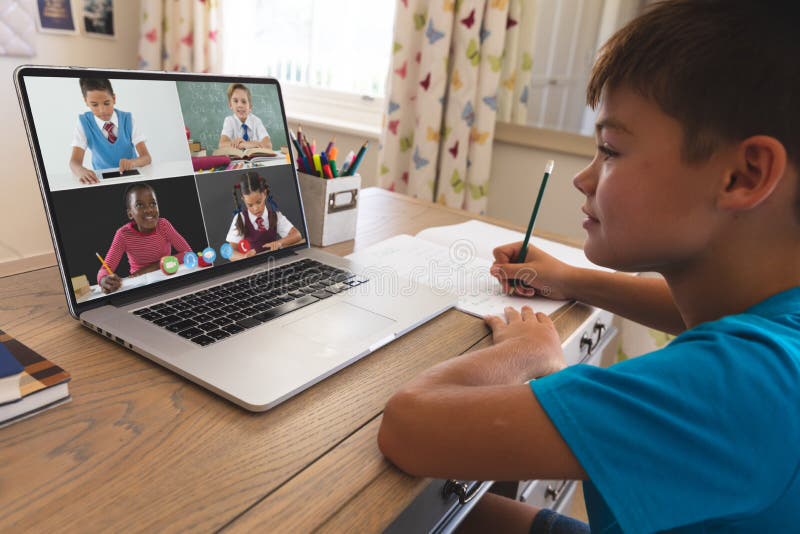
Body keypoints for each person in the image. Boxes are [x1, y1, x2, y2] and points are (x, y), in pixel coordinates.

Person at [377, 0, 800, 532]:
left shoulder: (743, 385)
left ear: (743, 175)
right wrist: (568, 277)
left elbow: (409, 425)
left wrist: (529, 357)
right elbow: (683, 309)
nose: (585, 178)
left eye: (611, 149)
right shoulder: (777, 325)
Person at [98, 183, 193, 293]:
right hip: (140, 283)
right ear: (130, 214)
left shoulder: (163, 226)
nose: (149, 210)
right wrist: (104, 280)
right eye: (139, 205)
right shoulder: (123, 234)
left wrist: (149, 268)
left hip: (166, 277)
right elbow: (104, 269)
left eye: (153, 204)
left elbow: (188, 253)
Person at [70, 78, 152, 185]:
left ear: (114, 98)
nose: (102, 110)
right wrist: (81, 171)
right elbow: (74, 162)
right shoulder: (84, 123)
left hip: (132, 176)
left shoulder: (128, 119)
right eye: (94, 105)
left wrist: (132, 163)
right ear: (86, 102)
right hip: (103, 181)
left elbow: (147, 158)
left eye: (106, 103)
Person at [226, 172, 302, 260]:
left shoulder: (275, 215)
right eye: (250, 205)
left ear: (265, 193)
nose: (255, 208)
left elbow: (297, 235)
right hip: (253, 266)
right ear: (243, 200)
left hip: (275, 261)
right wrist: (244, 257)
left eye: (259, 202)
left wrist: (279, 243)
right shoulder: (241, 219)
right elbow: (230, 252)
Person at [218, 83, 272, 151]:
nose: (240, 105)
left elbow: (268, 145)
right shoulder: (229, 121)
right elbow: (222, 145)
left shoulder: (256, 121)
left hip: (255, 160)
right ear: (230, 105)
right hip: (237, 161)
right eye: (235, 101)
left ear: (250, 107)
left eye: (244, 102)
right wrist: (245, 145)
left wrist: (247, 143)